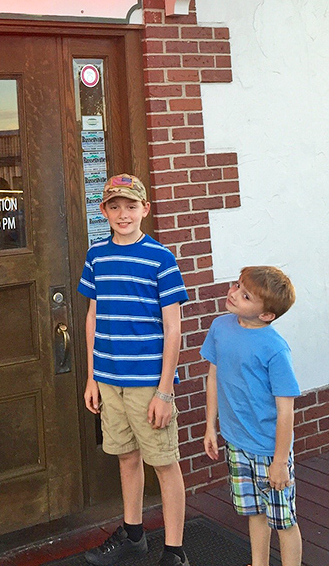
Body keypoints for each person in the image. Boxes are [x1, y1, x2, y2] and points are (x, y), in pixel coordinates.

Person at [80, 174, 190, 566]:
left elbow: (174, 327)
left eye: (131, 206)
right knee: (126, 457)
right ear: (104, 211)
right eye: (114, 206)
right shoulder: (97, 256)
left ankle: (174, 552)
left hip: (148, 382)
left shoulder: (161, 258)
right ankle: (133, 535)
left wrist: (165, 391)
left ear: (145, 209)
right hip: (109, 379)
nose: (122, 214)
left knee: (163, 462)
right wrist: (92, 376)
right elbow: (93, 316)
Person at [201, 267, 302, 566]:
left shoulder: (275, 348)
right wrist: (210, 427)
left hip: (270, 451)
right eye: (237, 285)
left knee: (283, 520)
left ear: (266, 315)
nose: (233, 293)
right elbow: (213, 376)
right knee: (254, 512)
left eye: (245, 295)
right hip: (236, 444)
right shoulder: (220, 327)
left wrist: (280, 462)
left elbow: (286, 410)